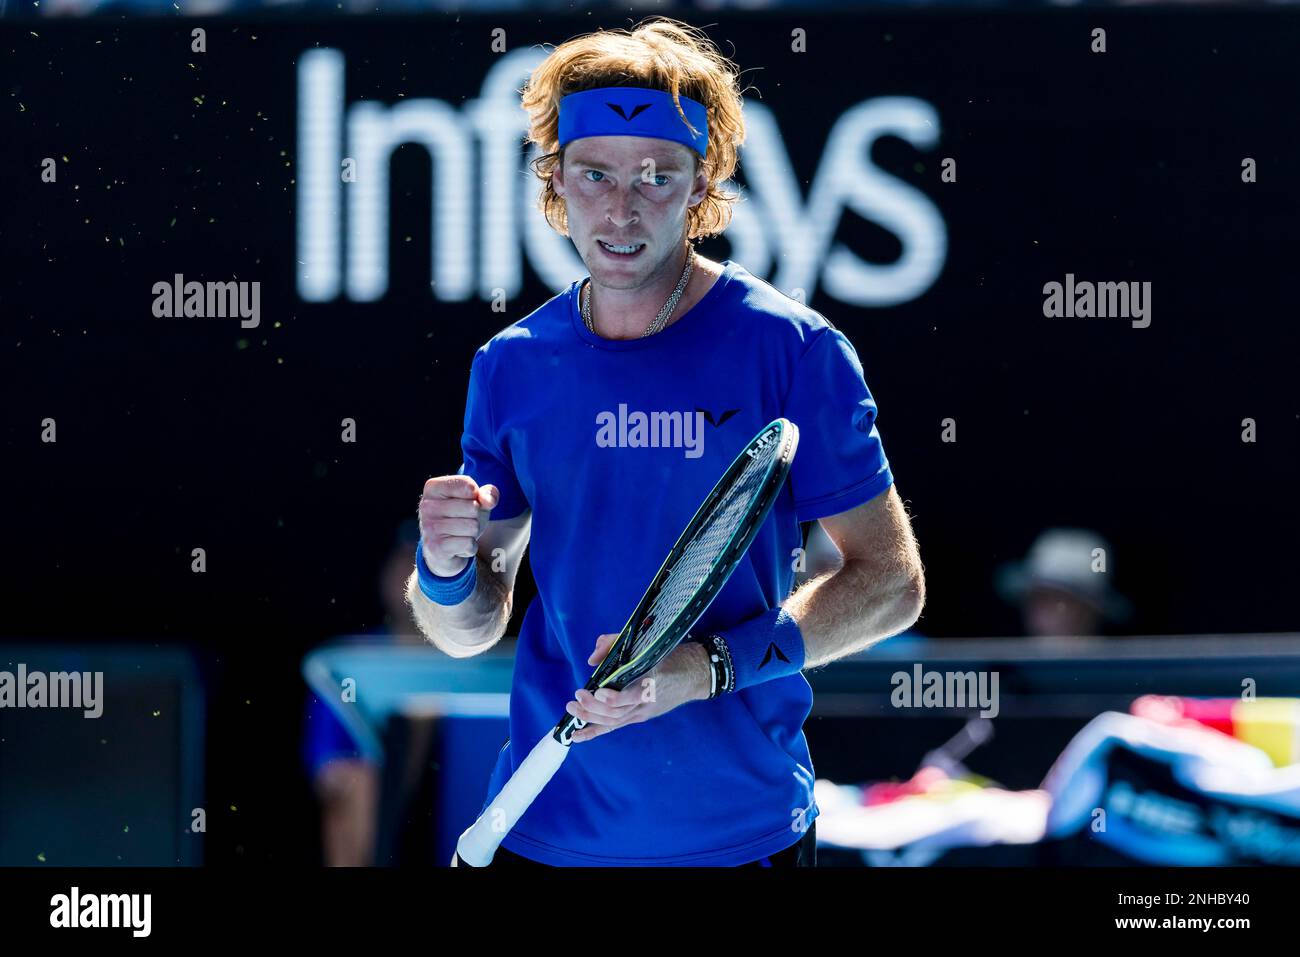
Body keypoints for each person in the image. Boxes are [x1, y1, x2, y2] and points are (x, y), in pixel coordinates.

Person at [407, 18, 925, 867]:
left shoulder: (795, 350)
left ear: (701, 186)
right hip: (548, 833)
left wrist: (707, 667)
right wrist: (446, 566)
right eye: (595, 174)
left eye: (656, 176)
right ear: (557, 183)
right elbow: (468, 627)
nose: (621, 207)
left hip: (745, 838)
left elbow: (891, 584)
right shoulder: (510, 366)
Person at [303, 518, 424, 866]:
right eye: (404, 561)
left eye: (424, 565)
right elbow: (333, 780)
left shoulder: (487, 670)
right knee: (351, 780)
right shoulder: (345, 664)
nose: (412, 574)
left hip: (464, 824)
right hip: (378, 825)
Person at [995, 527, 1132, 642]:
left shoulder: (1121, 673)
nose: (1038, 614)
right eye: (1034, 598)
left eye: (1055, 599)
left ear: (1089, 611)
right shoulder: (1009, 672)